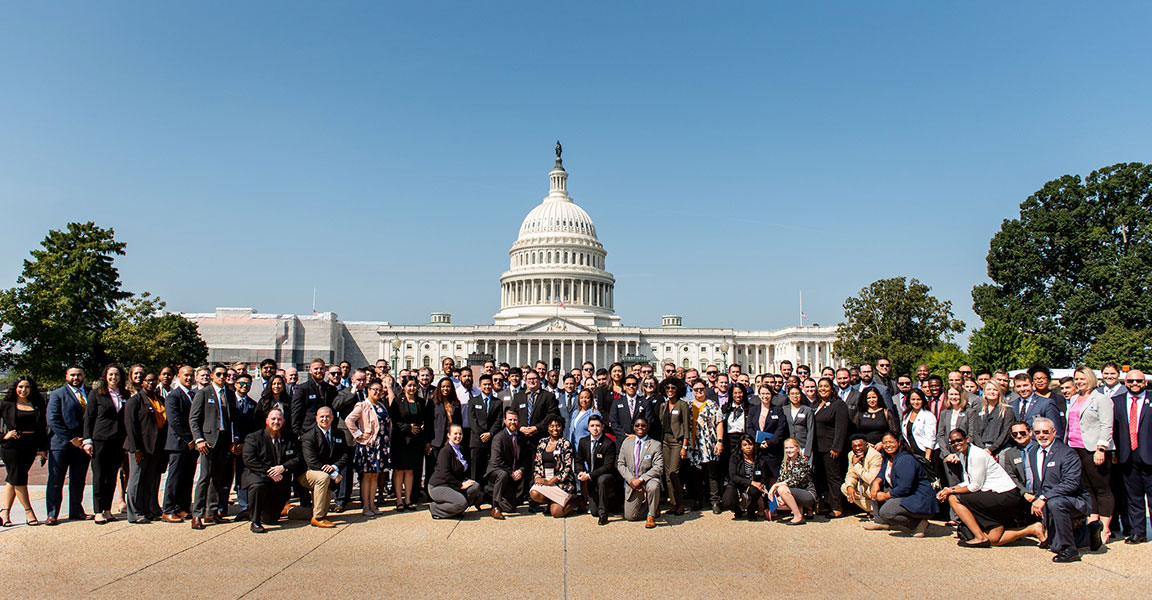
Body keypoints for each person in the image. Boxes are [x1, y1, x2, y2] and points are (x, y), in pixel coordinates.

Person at [937, 428, 1026, 547]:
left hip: (1005, 495)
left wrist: (950, 491)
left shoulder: (977, 455)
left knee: (953, 498)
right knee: (994, 540)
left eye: (959, 440)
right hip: (993, 494)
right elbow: (967, 482)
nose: (956, 444)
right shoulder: (964, 456)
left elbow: (975, 487)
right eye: (953, 442)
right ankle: (1032, 529)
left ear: (967, 439)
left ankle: (979, 537)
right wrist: (947, 489)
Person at [1027, 417, 1099, 562]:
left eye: (1046, 432)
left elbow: (1071, 484)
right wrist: (1037, 498)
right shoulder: (1033, 452)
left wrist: (1043, 498)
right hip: (1050, 501)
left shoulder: (1067, 453)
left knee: (1056, 503)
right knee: (1054, 546)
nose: (1042, 435)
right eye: (1038, 432)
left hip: (1074, 500)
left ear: (1054, 432)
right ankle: (1089, 533)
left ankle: (1069, 549)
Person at [1063, 366, 1114, 541]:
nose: (1079, 382)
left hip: (1093, 449)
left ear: (1091, 379)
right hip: (1074, 447)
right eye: (1077, 379)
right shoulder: (1074, 398)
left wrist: (1101, 448)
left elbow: (1106, 425)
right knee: (1087, 488)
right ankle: (1094, 524)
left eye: (1082, 379)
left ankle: (1105, 528)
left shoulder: (1101, 399)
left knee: (1101, 489)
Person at [188, 365, 239, 529]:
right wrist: (199, 439)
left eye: (225, 374)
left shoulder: (230, 395)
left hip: (224, 441)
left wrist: (234, 439)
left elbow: (233, 419)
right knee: (205, 477)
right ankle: (197, 514)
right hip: (208, 441)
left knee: (218, 478)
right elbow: (194, 419)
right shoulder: (203, 393)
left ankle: (212, 511)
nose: (222, 377)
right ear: (212, 376)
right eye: (219, 374)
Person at [242, 409, 303, 533]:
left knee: (271, 520)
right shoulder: (253, 437)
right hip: (259, 476)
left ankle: (250, 513)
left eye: (279, 419)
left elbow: (299, 457)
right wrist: (269, 472)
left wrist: (284, 467)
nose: (276, 422)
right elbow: (249, 459)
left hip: (280, 481)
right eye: (273, 419)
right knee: (257, 486)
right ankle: (255, 521)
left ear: (284, 421)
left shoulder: (290, 438)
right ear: (266, 421)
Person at [865, 433, 936, 537]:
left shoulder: (905, 460)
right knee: (874, 486)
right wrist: (876, 482)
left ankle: (918, 524)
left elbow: (905, 488)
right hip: (905, 493)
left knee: (886, 512)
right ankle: (881, 522)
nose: (888, 445)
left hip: (919, 498)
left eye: (891, 442)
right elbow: (882, 472)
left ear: (898, 443)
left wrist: (885, 496)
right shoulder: (888, 457)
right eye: (885, 443)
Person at [45, 367, 92, 524]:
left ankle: (76, 510)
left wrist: (86, 439)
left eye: (79, 374)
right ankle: (52, 513)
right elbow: (53, 420)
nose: (76, 378)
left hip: (83, 445)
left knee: (78, 479)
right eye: (72, 375)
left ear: (84, 375)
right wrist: (71, 438)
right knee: (56, 480)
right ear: (66, 376)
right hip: (61, 444)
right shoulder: (57, 394)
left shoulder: (91, 393)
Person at [83, 364, 128, 524]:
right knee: (99, 476)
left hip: (118, 441)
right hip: (100, 439)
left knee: (111, 476)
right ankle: (97, 510)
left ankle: (107, 509)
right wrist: (87, 440)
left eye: (116, 375)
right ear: (105, 376)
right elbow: (89, 418)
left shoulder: (125, 394)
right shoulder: (96, 394)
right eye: (110, 375)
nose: (113, 378)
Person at [1, 377, 49, 526]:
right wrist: (4, 436)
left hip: (30, 446)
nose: (23, 390)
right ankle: (29, 511)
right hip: (12, 446)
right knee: (19, 478)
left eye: (27, 387)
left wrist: (42, 448)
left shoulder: (38, 405)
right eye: (20, 386)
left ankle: (4, 513)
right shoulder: (6, 404)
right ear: (15, 388)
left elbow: (42, 428)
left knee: (13, 478)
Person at [1112, 369, 1150, 544]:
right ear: (1125, 383)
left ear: (1145, 383)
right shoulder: (1116, 402)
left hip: (1149, 455)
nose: (1135, 384)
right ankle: (1138, 532)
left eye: (1138, 381)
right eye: (1131, 381)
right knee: (1133, 497)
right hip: (1127, 456)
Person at [123, 371, 167, 523]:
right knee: (136, 480)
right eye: (148, 381)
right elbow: (131, 426)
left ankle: (147, 510)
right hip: (140, 448)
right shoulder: (135, 401)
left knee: (149, 480)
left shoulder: (159, 399)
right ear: (142, 383)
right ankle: (135, 513)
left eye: (154, 380)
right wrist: (136, 449)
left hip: (155, 447)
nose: (151, 383)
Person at [345, 380, 391, 516]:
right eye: (374, 389)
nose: (377, 392)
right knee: (367, 476)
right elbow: (349, 420)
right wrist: (359, 434)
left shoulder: (381, 405)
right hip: (369, 445)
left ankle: (373, 504)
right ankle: (366, 506)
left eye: (380, 390)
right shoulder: (363, 405)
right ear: (368, 390)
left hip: (381, 444)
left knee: (376, 475)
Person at [299, 407, 348, 527]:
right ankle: (318, 518)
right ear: (316, 418)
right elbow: (311, 461)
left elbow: (345, 455)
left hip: (328, 473)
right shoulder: (308, 436)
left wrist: (335, 467)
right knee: (323, 477)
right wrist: (333, 474)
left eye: (327, 416)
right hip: (308, 473)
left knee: (321, 508)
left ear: (332, 418)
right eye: (321, 416)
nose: (324, 419)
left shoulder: (339, 433)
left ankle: (290, 511)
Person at [161, 366, 197, 523]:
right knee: (174, 478)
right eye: (186, 375)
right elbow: (174, 421)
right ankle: (168, 509)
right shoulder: (173, 396)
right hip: (178, 444)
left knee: (187, 477)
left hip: (192, 445)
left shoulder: (194, 395)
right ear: (179, 376)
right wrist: (189, 438)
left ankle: (181, 507)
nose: (189, 378)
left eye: (191, 375)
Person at [810, 377, 849, 517]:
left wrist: (837, 447)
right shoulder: (815, 405)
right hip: (817, 449)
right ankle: (826, 504)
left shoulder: (838, 405)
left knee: (833, 478)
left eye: (826, 386)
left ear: (832, 388)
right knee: (821, 478)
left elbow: (841, 428)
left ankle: (837, 507)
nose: (822, 389)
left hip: (831, 448)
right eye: (820, 386)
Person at [391, 377, 431, 510]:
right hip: (401, 441)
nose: (412, 388)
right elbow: (395, 420)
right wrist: (409, 428)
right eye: (409, 386)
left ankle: (408, 499)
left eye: (414, 386)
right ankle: (399, 500)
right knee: (399, 471)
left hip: (415, 441)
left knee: (410, 471)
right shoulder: (397, 401)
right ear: (404, 387)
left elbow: (423, 419)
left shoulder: (420, 401)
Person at [428, 424, 482, 519]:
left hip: (451, 485)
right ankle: (435, 508)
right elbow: (446, 474)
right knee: (462, 503)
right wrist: (460, 485)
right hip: (439, 486)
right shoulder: (445, 451)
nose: (458, 436)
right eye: (455, 433)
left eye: (460, 434)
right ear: (448, 435)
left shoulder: (459, 449)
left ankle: (455, 510)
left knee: (475, 486)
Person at [616, 417, 662, 528]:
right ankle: (652, 506)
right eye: (637, 425)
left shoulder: (655, 445)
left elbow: (658, 467)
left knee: (654, 486)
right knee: (630, 516)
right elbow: (620, 464)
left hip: (648, 480)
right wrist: (631, 480)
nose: (640, 427)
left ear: (648, 427)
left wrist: (641, 480)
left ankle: (651, 515)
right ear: (633, 427)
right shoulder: (626, 443)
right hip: (632, 482)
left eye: (643, 425)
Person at [486, 409, 532, 519]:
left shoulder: (522, 438)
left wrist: (520, 470)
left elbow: (526, 459)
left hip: (511, 474)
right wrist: (512, 473)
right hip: (496, 471)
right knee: (503, 474)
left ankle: (490, 494)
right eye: (510, 420)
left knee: (510, 508)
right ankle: (495, 506)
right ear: (505, 421)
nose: (513, 422)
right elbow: (496, 461)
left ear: (519, 421)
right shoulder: (499, 437)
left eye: (515, 420)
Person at [687, 380, 725, 513]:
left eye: (701, 389)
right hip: (694, 446)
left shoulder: (712, 405)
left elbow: (719, 422)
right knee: (696, 475)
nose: (699, 391)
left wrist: (720, 441)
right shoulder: (688, 405)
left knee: (712, 474)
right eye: (696, 389)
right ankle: (698, 501)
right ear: (692, 390)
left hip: (709, 444)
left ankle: (715, 501)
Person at [529, 416, 578, 517]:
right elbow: (537, 463)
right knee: (533, 493)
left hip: (561, 483)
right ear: (547, 428)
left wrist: (552, 481)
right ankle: (551, 502)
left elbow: (567, 468)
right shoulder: (542, 443)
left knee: (556, 513)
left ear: (562, 427)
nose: (555, 429)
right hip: (546, 480)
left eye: (558, 426)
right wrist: (538, 477)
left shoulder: (565, 443)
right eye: (552, 426)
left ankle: (577, 500)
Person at [655, 379, 691, 515]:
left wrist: (684, 446)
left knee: (674, 473)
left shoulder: (682, 405)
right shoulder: (663, 406)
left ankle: (680, 503)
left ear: (678, 389)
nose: (670, 390)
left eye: (673, 388)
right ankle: (674, 503)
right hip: (665, 441)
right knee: (667, 474)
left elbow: (686, 427)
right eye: (667, 388)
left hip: (677, 441)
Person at [576, 414, 617, 525]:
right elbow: (578, 460)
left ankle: (604, 515)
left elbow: (608, 466)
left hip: (606, 476)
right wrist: (580, 472)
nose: (595, 428)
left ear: (602, 427)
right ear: (588, 428)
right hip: (591, 479)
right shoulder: (583, 442)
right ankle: (599, 506)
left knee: (602, 480)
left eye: (598, 425)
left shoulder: (609, 443)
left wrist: (589, 475)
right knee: (594, 512)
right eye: (592, 426)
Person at [768, 438, 817, 525]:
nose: (788, 450)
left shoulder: (803, 462)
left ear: (797, 449)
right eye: (786, 448)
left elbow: (794, 481)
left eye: (791, 447)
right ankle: (800, 509)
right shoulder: (785, 462)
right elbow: (780, 479)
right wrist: (776, 493)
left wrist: (775, 486)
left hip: (807, 494)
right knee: (778, 502)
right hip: (792, 492)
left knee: (782, 489)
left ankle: (798, 516)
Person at [468, 374, 504, 485]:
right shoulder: (473, 401)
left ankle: (488, 491)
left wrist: (490, 433)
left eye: (489, 384)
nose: (487, 386)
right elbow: (472, 420)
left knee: (489, 467)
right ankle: (475, 492)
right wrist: (482, 434)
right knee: (475, 467)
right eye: (485, 385)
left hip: (491, 440)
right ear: (479, 386)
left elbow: (498, 420)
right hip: (476, 440)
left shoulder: (498, 402)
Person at [724, 435, 772, 521]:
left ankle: (751, 511)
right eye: (745, 445)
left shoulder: (760, 461)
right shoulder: (735, 458)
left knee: (755, 489)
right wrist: (750, 482)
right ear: (741, 447)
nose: (748, 447)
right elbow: (733, 477)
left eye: (750, 445)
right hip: (737, 485)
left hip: (753, 489)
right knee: (727, 501)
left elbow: (763, 479)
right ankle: (737, 510)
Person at [746, 384, 787, 477]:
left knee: (773, 477)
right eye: (763, 393)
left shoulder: (778, 410)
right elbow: (749, 428)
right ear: (759, 395)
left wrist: (769, 442)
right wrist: (759, 441)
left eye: (768, 393)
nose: (765, 396)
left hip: (773, 451)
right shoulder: (753, 410)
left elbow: (780, 429)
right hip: (757, 450)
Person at [513, 370, 558, 449]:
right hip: (521, 439)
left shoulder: (548, 396)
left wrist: (537, 428)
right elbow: (513, 414)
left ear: (539, 380)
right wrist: (520, 427)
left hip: (540, 438)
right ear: (525, 381)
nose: (531, 381)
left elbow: (551, 415)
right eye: (529, 379)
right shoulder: (518, 396)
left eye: (534, 378)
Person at [291, 358, 335, 438]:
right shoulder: (302, 388)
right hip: (308, 431)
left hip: (327, 431)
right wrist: (296, 431)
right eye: (316, 369)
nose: (319, 371)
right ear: (310, 370)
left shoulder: (331, 389)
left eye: (321, 368)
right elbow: (296, 411)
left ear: (325, 370)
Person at [1010, 373, 1063, 439]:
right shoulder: (1011, 405)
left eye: (1025, 385)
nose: (1022, 389)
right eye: (1019, 386)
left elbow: (1055, 430)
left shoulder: (1046, 403)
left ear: (1032, 385)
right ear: (1014, 388)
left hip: (1039, 444)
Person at [841, 435, 883, 516]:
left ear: (866, 445)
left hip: (873, 487)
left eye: (859, 445)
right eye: (854, 446)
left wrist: (856, 464)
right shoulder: (851, 454)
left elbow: (871, 479)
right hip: (862, 486)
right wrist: (850, 486)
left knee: (870, 490)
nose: (857, 448)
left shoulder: (875, 455)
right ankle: (872, 510)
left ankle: (879, 509)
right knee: (845, 487)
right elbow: (850, 473)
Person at [608, 375, 652, 448]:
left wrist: (636, 436)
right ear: (624, 387)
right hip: (622, 441)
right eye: (628, 384)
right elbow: (613, 422)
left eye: (634, 384)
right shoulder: (617, 402)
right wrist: (625, 436)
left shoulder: (645, 403)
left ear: (637, 386)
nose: (631, 386)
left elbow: (648, 420)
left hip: (640, 441)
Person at [970, 382, 1013, 455]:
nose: (992, 392)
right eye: (989, 389)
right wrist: (982, 448)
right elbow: (975, 431)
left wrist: (992, 449)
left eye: (995, 390)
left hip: (1000, 449)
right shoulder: (979, 410)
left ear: (999, 392)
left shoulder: (1007, 410)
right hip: (981, 449)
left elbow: (1006, 431)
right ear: (984, 392)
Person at [900, 388, 938, 464]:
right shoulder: (906, 415)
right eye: (913, 399)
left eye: (918, 399)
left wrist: (927, 457)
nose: (916, 402)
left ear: (922, 400)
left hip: (925, 452)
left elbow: (931, 438)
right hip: (912, 452)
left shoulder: (928, 415)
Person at [781, 385, 815, 458]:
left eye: (797, 393)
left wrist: (807, 451)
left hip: (803, 446)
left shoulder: (807, 410)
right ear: (789, 396)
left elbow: (811, 431)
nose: (795, 396)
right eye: (792, 394)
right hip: (788, 448)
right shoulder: (783, 410)